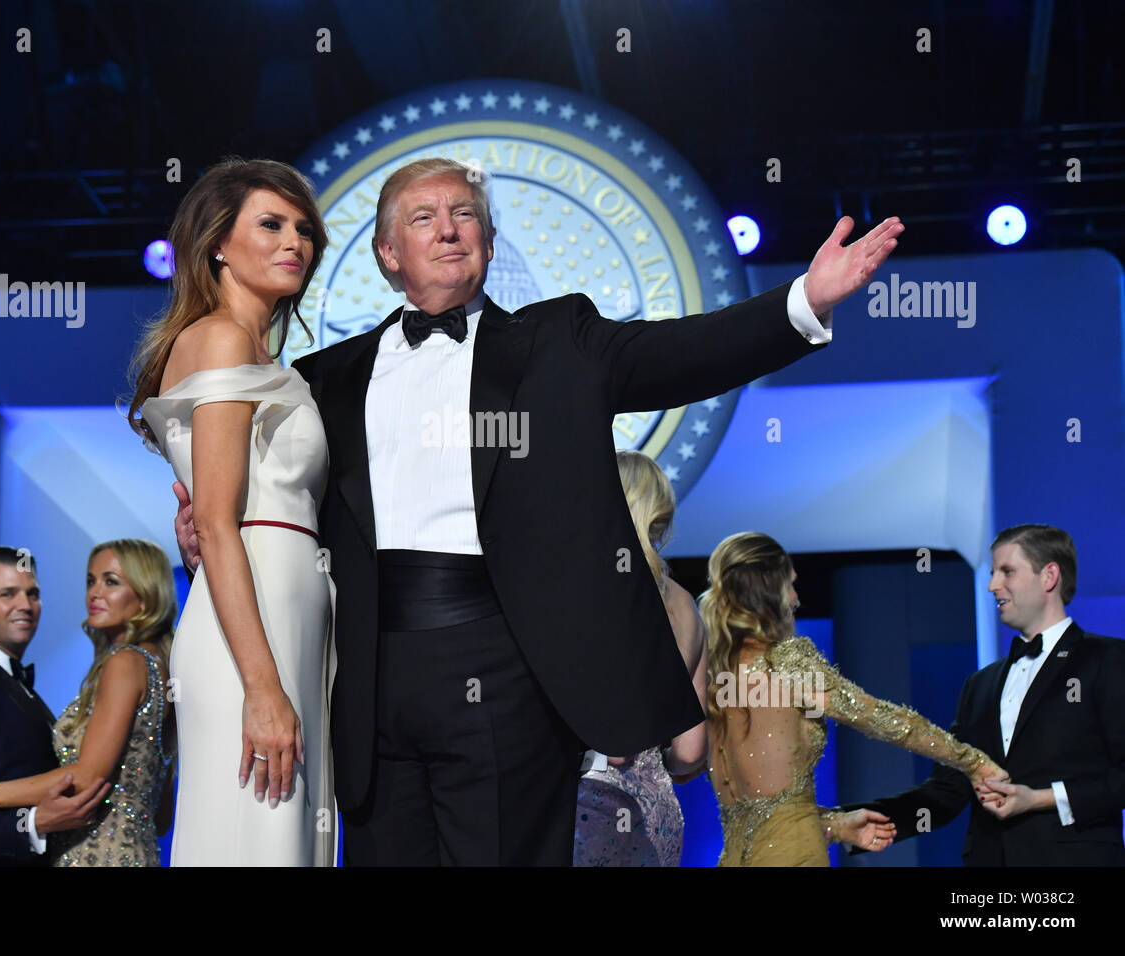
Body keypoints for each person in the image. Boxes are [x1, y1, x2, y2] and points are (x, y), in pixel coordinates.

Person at [177, 157, 905, 865]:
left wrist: (805, 299)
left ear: (490, 245)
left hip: (505, 666)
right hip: (365, 672)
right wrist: (200, 519)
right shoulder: (323, 379)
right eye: (424, 217)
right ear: (386, 253)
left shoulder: (561, 344)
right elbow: (242, 466)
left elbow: (686, 350)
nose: (450, 230)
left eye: (466, 215)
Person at [131, 157, 336, 866]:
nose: (296, 243)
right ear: (216, 242)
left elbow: (208, 516)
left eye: (304, 229)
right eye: (272, 225)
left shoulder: (266, 358)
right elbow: (217, 523)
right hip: (252, 640)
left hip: (288, 617)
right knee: (260, 837)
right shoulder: (219, 337)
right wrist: (262, 686)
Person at [699, 531, 1006, 866]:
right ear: (770, 591)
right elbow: (882, 720)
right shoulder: (788, 662)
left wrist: (837, 825)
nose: (797, 598)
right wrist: (971, 762)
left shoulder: (712, 680)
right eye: (790, 584)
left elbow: (764, 813)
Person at [844, 524, 1125, 866]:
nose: (993, 586)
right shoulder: (980, 685)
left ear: (1049, 576)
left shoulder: (1108, 660)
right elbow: (948, 790)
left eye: (1007, 571)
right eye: (993, 573)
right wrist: (855, 821)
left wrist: (1040, 799)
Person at [0, 540, 176, 866]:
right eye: (7, 594)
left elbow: (85, 777)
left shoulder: (125, 664)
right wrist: (33, 823)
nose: (94, 593)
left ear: (145, 596)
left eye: (32, 594)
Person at [573, 450, 707, 866]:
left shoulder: (586, 592)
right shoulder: (686, 606)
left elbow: (612, 747)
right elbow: (690, 751)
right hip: (659, 814)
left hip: (590, 805)